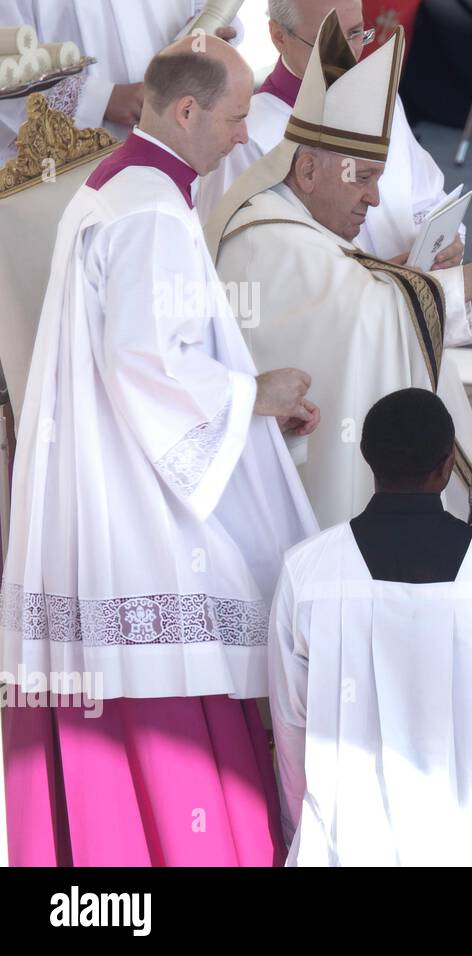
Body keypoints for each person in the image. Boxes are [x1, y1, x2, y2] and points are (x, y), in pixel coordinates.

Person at [0, 36, 319, 866]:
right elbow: (145, 364)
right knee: (170, 674)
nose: (245, 135)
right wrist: (257, 395)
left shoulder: (126, 189)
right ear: (185, 111)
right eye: (236, 115)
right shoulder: (146, 209)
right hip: (136, 497)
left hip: (105, 468)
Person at [208, 11, 472, 536]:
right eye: (362, 178)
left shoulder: (354, 134)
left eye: (360, 32)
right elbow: (366, 304)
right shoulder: (266, 229)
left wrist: (438, 251)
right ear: (306, 170)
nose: (375, 198)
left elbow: (376, 271)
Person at [268, 388, 472, 866]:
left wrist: (305, 823)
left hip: (349, 841)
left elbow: (292, 725)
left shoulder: (308, 571)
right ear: (448, 464)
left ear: (368, 458)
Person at [195, 0, 459, 266]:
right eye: (327, 38)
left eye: (356, 33)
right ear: (278, 36)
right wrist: (371, 282)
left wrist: (444, 242)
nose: (347, 54)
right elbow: (232, 252)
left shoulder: (383, 101)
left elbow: (427, 199)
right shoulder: (247, 137)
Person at [0, 0, 241, 160]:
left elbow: (212, 11)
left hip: (183, 135)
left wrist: (210, 36)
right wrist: (102, 99)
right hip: (78, 164)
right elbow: (8, 61)